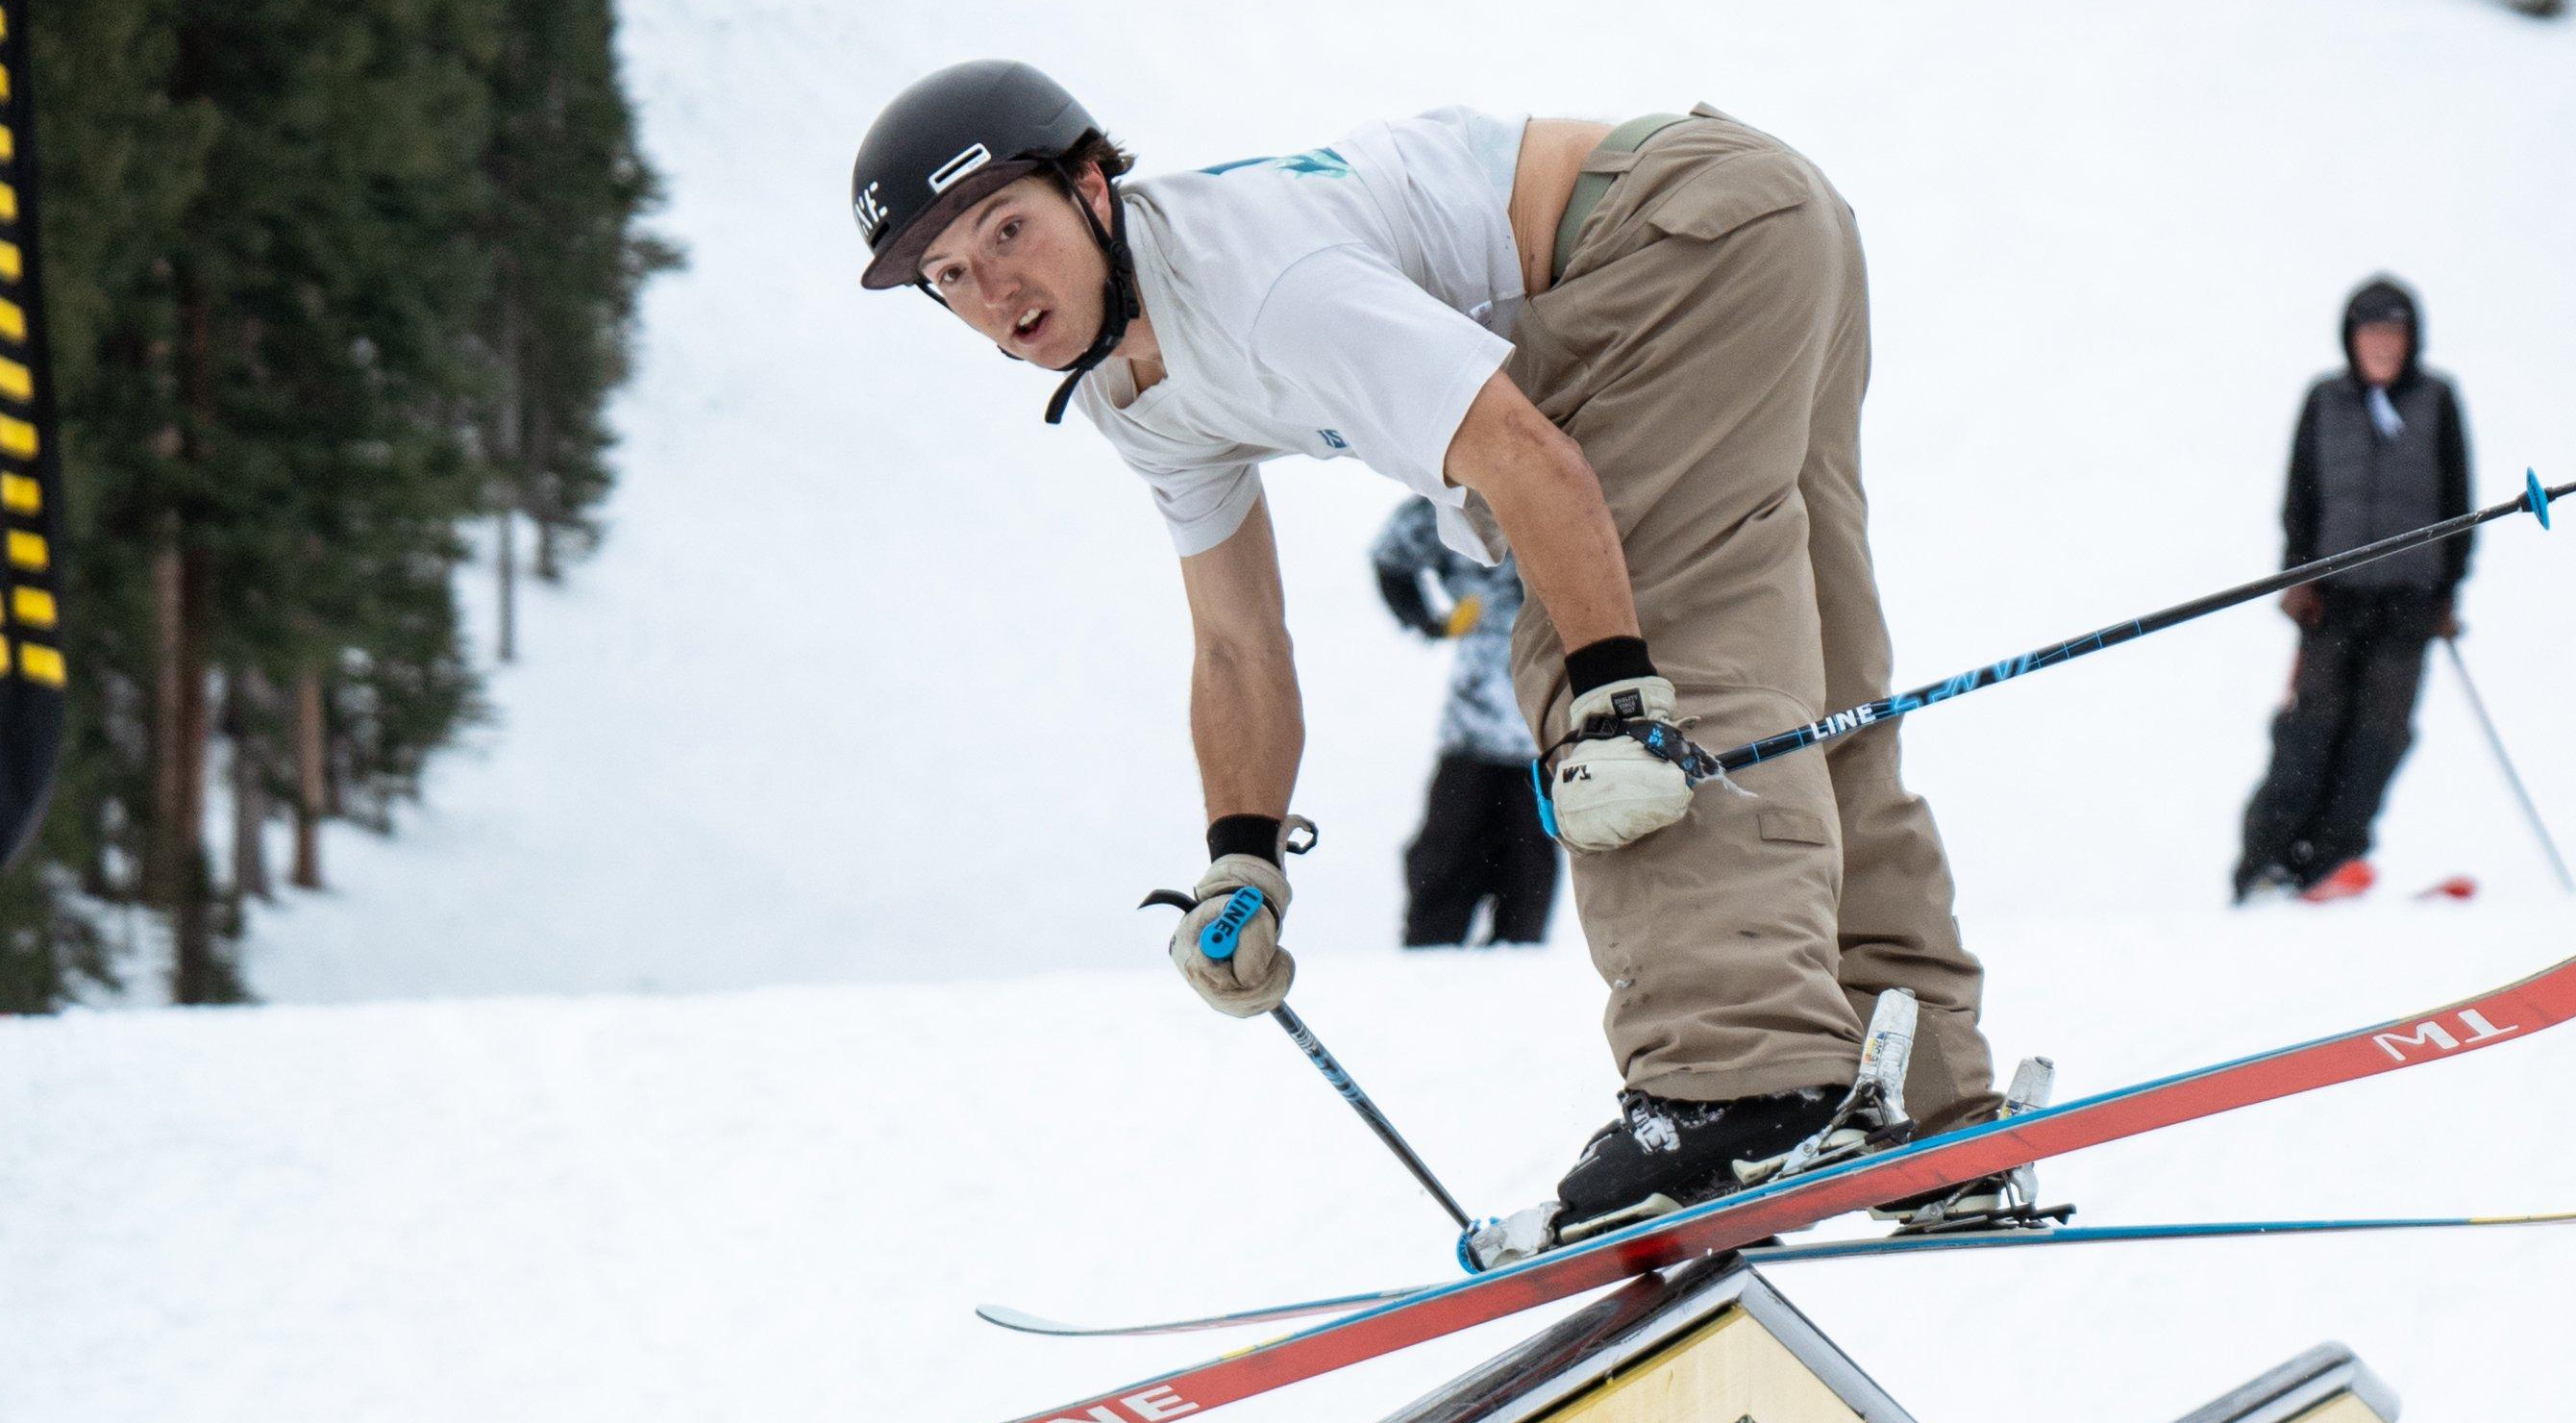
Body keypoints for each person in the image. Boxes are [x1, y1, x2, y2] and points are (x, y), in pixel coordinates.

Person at [849, 63, 2019, 1247]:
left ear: (1091, 188)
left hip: (1668, 241)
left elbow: (1525, 460)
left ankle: (1731, 1083)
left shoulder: (1259, 285)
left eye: (1009, 230)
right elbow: (1237, 640)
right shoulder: (1128, 386)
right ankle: (1930, 1123)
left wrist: (1613, 693)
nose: (996, 290)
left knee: (1627, 678)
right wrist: (1241, 862)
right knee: (1807, 697)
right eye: (950, 276)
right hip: (1754, 218)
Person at [2232, 274, 2475, 903]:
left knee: (2377, 741)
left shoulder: (2437, 400)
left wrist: (2448, 590)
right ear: (2351, 338)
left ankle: (2332, 866)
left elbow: (2460, 500)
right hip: (2332, 601)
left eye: (2394, 332)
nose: (2383, 344)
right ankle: (2266, 867)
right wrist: (2298, 576)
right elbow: (2300, 496)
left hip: (2409, 606)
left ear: (2412, 340)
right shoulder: (2325, 400)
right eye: (2371, 332)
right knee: (2307, 734)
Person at [1369, 494, 1556, 947]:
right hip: (1474, 728)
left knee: (1528, 881)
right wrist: (1428, 621)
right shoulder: (1452, 501)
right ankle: (1426, 973)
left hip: (1546, 734)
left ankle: (1517, 974)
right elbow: (1391, 554)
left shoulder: (1568, 494)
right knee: (1442, 869)